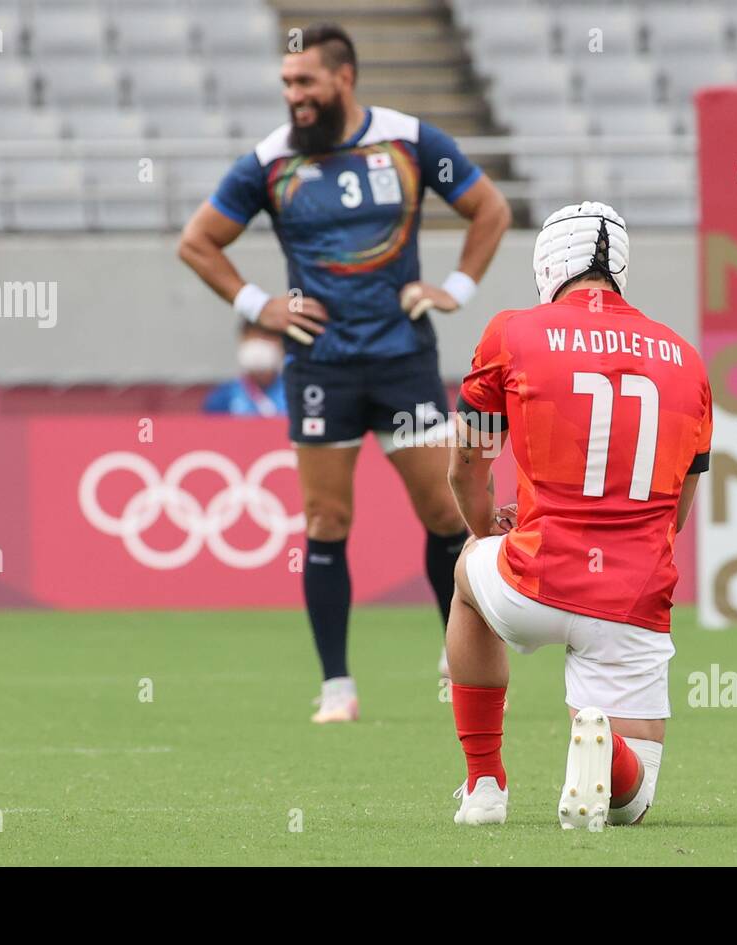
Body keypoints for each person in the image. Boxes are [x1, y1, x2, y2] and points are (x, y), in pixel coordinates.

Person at [178, 22, 512, 723]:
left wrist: (455, 288)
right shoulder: (269, 163)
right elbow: (199, 242)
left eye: (305, 82)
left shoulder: (410, 142)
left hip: (401, 359)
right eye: (287, 84)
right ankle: (337, 685)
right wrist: (258, 304)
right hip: (321, 367)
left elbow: (490, 209)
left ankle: (458, 662)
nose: (294, 96)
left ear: (344, 78)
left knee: (444, 514)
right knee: (327, 521)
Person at [444, 202, 712, 829]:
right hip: (633, 599)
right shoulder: (686, 358)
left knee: (466, 579)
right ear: (621, 267)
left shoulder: (512, 332)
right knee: (632, 801)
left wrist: (487, 536)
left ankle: (484, 783)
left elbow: (466, 469)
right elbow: (677, 513)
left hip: (532, 578)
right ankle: (604, 746)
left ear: (547, 264)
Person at [202, 321, 287, 416]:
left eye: (267, 337)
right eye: (253, 338)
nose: (259, 347)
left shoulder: (297, 392)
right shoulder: (224, 396)